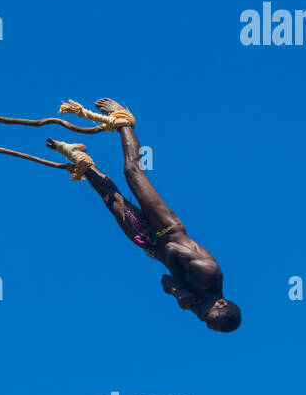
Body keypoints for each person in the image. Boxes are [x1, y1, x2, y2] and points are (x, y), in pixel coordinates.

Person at [47, 98, 242, 332]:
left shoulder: (196, 302)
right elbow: (172, 250)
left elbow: (164, 280)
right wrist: (180, 287)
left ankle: (79, 158)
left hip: (150, 244)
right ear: (221, 303)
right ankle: (124, 122)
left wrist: (175, 291)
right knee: (132, 172)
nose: (201, 317)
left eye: (205, 322)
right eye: (209, 317)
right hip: (167, 229)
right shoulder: (210, 273)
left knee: (111, 199)